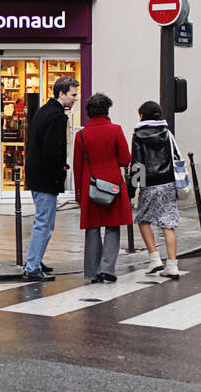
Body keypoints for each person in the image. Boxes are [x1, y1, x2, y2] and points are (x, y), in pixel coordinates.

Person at [22, 76, 79, 281]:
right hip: (46, 176)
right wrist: (60, 171)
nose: (75, 99)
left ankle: (36, 259)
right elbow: (52, 150)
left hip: (37, 173)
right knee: (44, 222)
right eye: (73, 95)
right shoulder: (57, 116)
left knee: (44, 221)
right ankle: (32, 266)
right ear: (61, 93)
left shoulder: (43, 110)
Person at [73, 92, 131, 283]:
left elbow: (77, 166)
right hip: (112, 183)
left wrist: (79, 193)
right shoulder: (116, 130)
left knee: (92, 227)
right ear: (107, 110)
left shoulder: (81, 135)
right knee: (113, 226)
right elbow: (125, 159)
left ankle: (91, 271)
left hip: (90, 183)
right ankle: (107, 267)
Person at [130, 100, 181, 279]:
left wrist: (134, 187)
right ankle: (172, 265)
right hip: (168, 183)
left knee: (143, 219)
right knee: (169, 224)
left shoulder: (138, 135)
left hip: (149, 184)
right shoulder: (167, 133)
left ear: (143, 115)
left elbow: (137, 164)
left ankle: (154, 258)